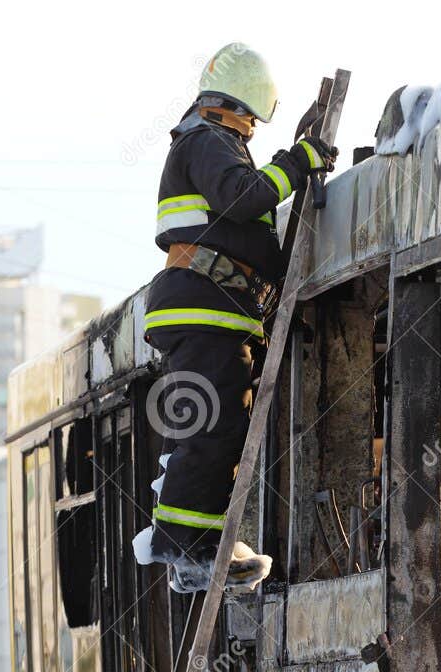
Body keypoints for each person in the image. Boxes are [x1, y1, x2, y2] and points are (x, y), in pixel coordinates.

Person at [138, 42, 337, 592]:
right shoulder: (205, 140)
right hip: (204, 307)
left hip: (214, 307)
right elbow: (242, 198)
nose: (251, 130)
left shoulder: (209, 142)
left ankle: (196, 548)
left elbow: (244, 227)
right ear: (236, 106)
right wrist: (298, 161)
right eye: (250, 119)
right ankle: (188, 551)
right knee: (210, 431)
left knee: (219, 430)